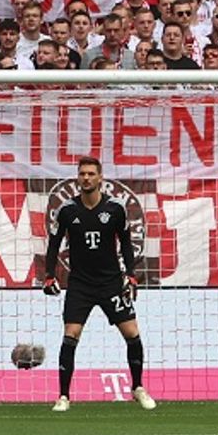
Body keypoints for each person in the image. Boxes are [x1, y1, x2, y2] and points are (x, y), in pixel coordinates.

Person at [43, 157, 155, 412]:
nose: (86, 178)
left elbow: (126, 242)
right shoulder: (68, 210)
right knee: (71, 334)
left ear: (100, 178)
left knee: (132, 332)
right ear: (77, 178)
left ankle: (137, 387)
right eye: (82, 174)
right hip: (80, 284)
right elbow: (53, 244)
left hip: (111, 282)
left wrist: (131, 274)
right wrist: (49, 275)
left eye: (91, 174)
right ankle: (63, 396)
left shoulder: (115, 208)